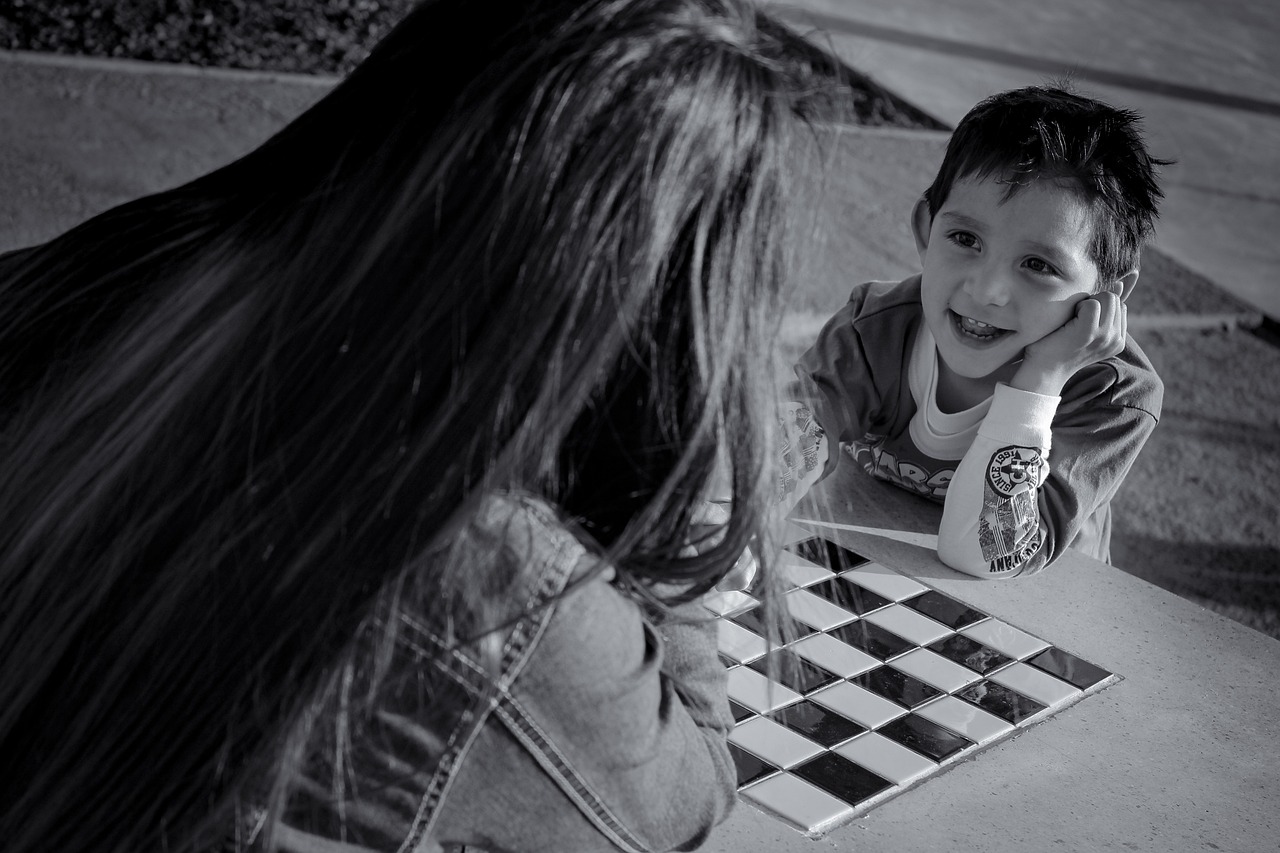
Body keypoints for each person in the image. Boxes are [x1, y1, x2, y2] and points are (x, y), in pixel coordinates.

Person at [0, 1, 856, 850]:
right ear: (663, 326)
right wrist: (688, 489)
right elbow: (683, 802)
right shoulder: (494, 578)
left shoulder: (109, 271)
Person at [782, 85, 1170, 577]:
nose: (987, 290)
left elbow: (982, 554)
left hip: (1032, 631)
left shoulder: (1112, 397)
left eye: (1038, 264)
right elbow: (765, 468)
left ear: (1108, 295)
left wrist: (1042, 378)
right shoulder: (871, 332)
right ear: (926, 230)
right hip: (869, 570)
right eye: (965, 239)